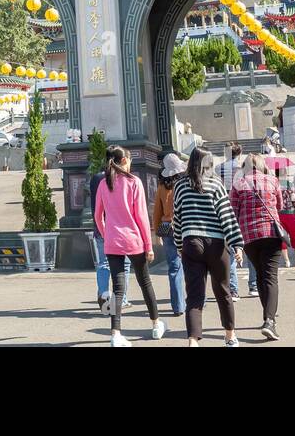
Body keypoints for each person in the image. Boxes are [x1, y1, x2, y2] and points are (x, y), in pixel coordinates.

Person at [94, 146, 164, 347]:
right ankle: (156, 324)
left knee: (117, 289)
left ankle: (115, 334)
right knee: (145, 283)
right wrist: (148, 245)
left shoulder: (103, 183)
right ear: (124, 160)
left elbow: (98, 216)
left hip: (113, 241)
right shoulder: (134, 182)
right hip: (134, 240)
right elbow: (141, 217)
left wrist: (107, 233)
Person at [174, 146, 244, 347]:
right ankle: (230, 336)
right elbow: (226, 216)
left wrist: (180, 246)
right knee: (223, 291)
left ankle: (193, 340)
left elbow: (177, 221)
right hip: (215, 244)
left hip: (191, 243)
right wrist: (237, 244)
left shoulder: (180, 185)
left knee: (194, 295)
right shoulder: (215, 183)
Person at [230, 154, 286, 341]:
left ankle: (267, 317)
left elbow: (233, 211)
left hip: (249, 237)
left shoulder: (238, 183)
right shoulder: (273, 180)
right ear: (262, 165)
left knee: (261, 275)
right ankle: (269, 320)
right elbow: (280, 205)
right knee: (270, 277)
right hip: (271, 232)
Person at [89, 162, 130, 313]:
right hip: (118, 228)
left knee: (103, 263)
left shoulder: (96, 179)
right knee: (124, 264)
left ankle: (103, 295)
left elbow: (95, 207)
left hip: (100, 227)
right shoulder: (122, 180)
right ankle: (123, 299)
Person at [151, 152, 185, 318]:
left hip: (167, 228)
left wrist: (156, 230)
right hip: (185, 227)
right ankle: (197, 300)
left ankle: (178, 306)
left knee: (174, 267)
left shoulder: (162, 187)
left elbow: (156, 212)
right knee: (194, 265)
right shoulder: (186, 184)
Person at [217, 144, 254, 299]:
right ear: (240, 154)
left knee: (230, 251)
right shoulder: (243, 170)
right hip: (243, 212)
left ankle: (233, 289)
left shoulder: (219, 169)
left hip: (225, 210)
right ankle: (254, 285)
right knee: (250, 249)